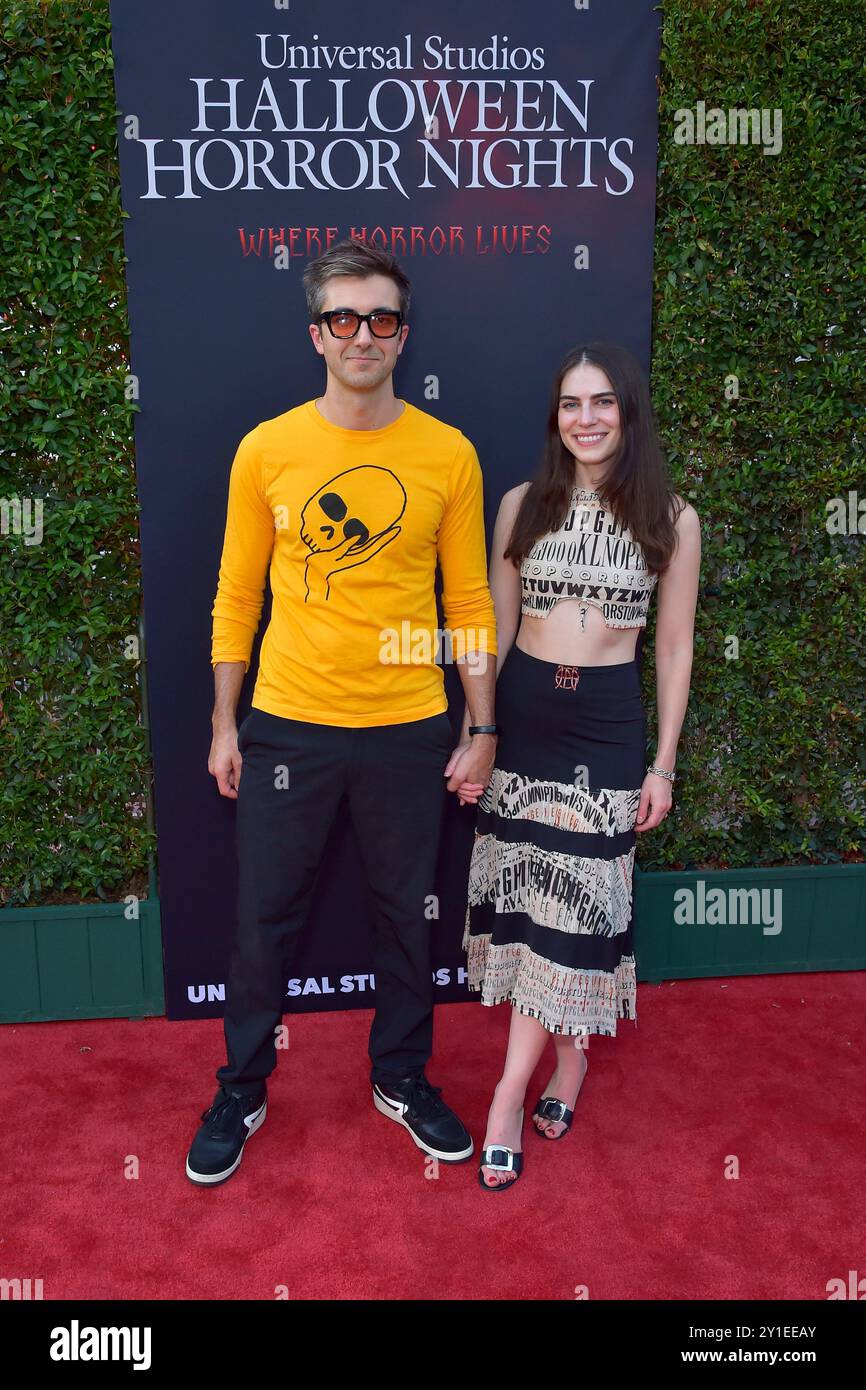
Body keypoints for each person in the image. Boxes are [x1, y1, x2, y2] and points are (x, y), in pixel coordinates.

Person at [185, 239, 498, 1186]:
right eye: (344, 318)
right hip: (288, 722)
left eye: (382, 318)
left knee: (407, 917)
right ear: (316, 334)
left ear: (403, 335)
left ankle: (400, 1075)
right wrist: (225, 722)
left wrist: (481, 726)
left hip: (409, 725)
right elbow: (236, 593)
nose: (364, 335)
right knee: (262, 920)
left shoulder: (448, 453)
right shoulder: (266, 448)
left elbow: (469, 602)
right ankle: (242, 1086)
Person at [456, 342, 701, 1190]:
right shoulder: (522, 505)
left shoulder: (672, 518)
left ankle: (506, 1095)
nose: (586, 419)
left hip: (603, 731)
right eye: (570, 403)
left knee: (571, 910)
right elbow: (493, 629)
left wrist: (663, 764)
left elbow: (673, 648)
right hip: (525, 717)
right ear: (555, 416)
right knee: (531, 908)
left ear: (628, 413)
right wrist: (478, 731)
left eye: (602, 402)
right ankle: (570, 1061)